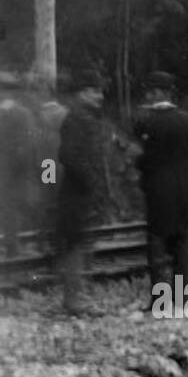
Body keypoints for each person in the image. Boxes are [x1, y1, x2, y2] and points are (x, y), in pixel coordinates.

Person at [133, 70, 188, 293]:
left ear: (156, 93)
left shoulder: (147, 122)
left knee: (157, 242)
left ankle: (161, 299)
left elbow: (144, 159)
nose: (147, 97)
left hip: (157, 189)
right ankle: (183, 297)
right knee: (182, 242)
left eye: (150, 92)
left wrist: (140, 165)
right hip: (185, 187)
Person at [54, 68, 109, 315]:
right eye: (95, 91)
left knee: (78, 242)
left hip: (80, 190)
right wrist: (89, 181)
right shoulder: (77, 118)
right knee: (75, 244)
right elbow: (68, 155)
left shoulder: (83, 115)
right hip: (76, 192)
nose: (100, 96)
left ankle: (77, 296)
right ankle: (75, 300)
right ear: (82, 93)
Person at [0, 72, 38, 259]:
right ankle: (11, 245)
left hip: (11, 171)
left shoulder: (22, 114)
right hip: (10, 170)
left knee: (10, 208)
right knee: (10, 208)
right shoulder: (23, 114)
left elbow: (28, 145)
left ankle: (12, 246)